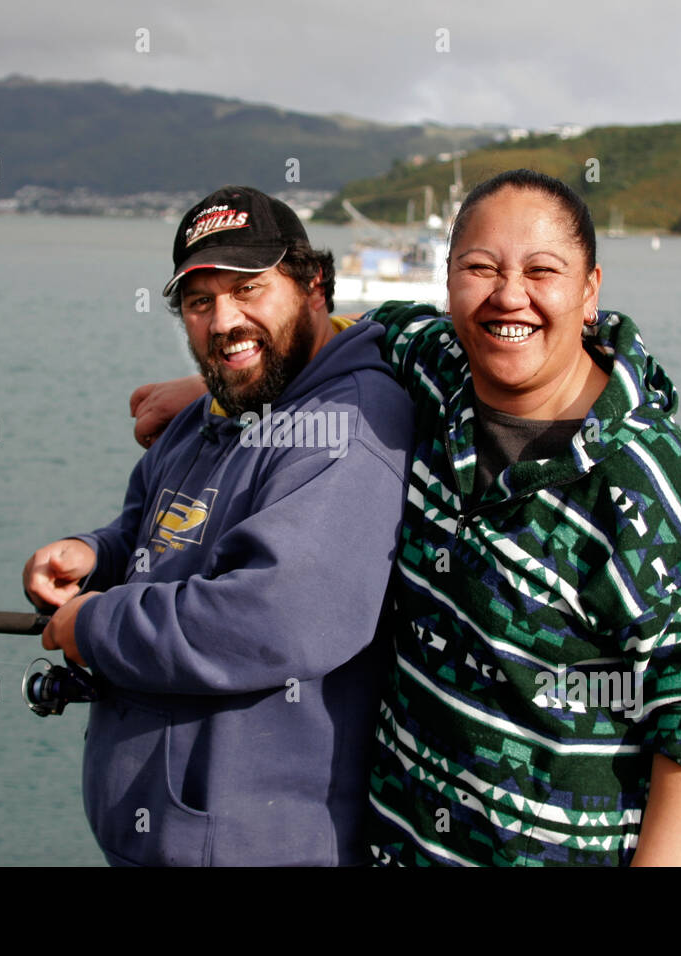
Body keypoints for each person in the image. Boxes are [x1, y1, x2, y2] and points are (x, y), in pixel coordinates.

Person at [129, 169, 681, 866]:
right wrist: (208, 389)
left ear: (590, 289)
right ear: (449, 280)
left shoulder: (655, 485)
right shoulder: (438, 368)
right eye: (480, 268)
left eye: (542, 271)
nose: (509, 296)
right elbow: (337, 338)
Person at [22, 185, 413, 866]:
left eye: (249, 290)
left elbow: (276, 616)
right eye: (201, 302)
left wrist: (93, 626)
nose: (224, 321)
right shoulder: (225, 402)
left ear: (313, 284)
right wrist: (94, 557)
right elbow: (156, 532)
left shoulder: (347, 426)